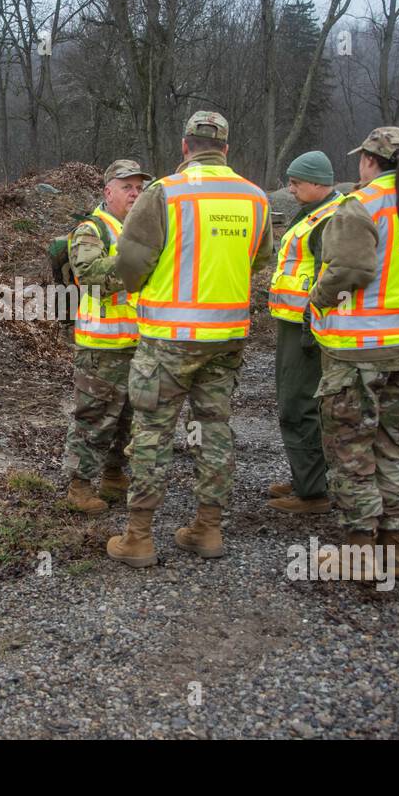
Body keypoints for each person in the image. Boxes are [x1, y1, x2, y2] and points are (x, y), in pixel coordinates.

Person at [104, 111, 273, 566]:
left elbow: (130, 265)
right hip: (228, 336)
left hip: (170, 338)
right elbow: (259, 261)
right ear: (227, 149)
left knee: (153, 434)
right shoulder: (255, 198)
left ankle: (139, 537)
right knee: (214, 430)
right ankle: (208, 529)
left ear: (184, 146)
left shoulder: (166, 193)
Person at [308, 127, 399, 581]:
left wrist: (319, 298)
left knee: (351, 450)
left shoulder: (361, 205)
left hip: (356, 351)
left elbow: (350, 269)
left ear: (370, 160)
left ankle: (361, 554)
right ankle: (394, 549)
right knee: (391, 444)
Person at [63, 159, 152, 513]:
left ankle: (114, 474)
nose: (134, 193)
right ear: (108, 191)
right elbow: (89, 275)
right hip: (101, 346)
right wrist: (135, 264)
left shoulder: (141, 229)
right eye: (127, 187)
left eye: (139, 187)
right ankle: (80, 485)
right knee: (94, 418)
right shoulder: (92, 229)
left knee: (128, 417)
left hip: (138, 342)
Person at [266, 152, 344, 514]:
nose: (291, 189)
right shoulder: (317, 212)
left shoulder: (330, 220)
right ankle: (307, 477)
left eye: (297, 183)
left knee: (299, 404)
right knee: (304, 402)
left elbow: (334, 274)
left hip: (308, 325)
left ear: (317, 183)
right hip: (298, 321)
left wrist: (312, 319)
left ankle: (312, 492)